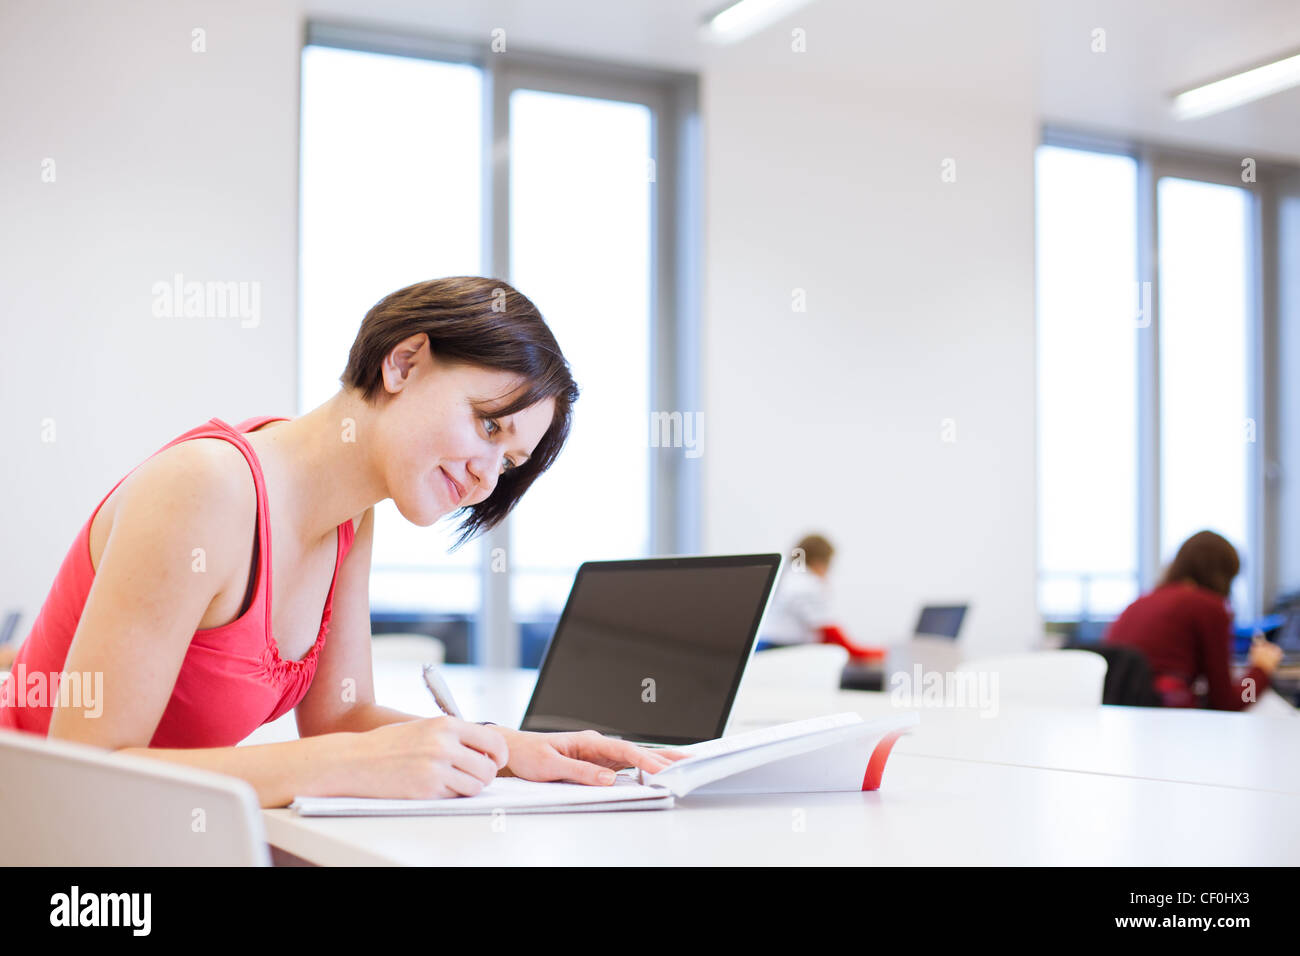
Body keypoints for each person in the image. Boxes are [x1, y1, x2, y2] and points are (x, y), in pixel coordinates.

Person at [0, 276, 684, 807]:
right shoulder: (207, 487)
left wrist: (507, 748)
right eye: (487, 426)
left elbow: (338, 715)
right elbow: (86, 774)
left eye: (509, 464)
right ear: (405, 362)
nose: (486, 475)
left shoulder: (351, 521)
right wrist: (351, 767)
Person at [1104, 530, 1283, 710]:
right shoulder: (1209, 606)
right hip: (1165, 720)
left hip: (1126, 718)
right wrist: (1260, 671)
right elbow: (1228, 703)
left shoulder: (1142, 601)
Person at [758, 534, 883, 662]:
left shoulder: (788, 577)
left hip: (763, 647)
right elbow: (829, 634)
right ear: (819, 562)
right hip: (779, 650)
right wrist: (882, 654)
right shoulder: (807, 584)